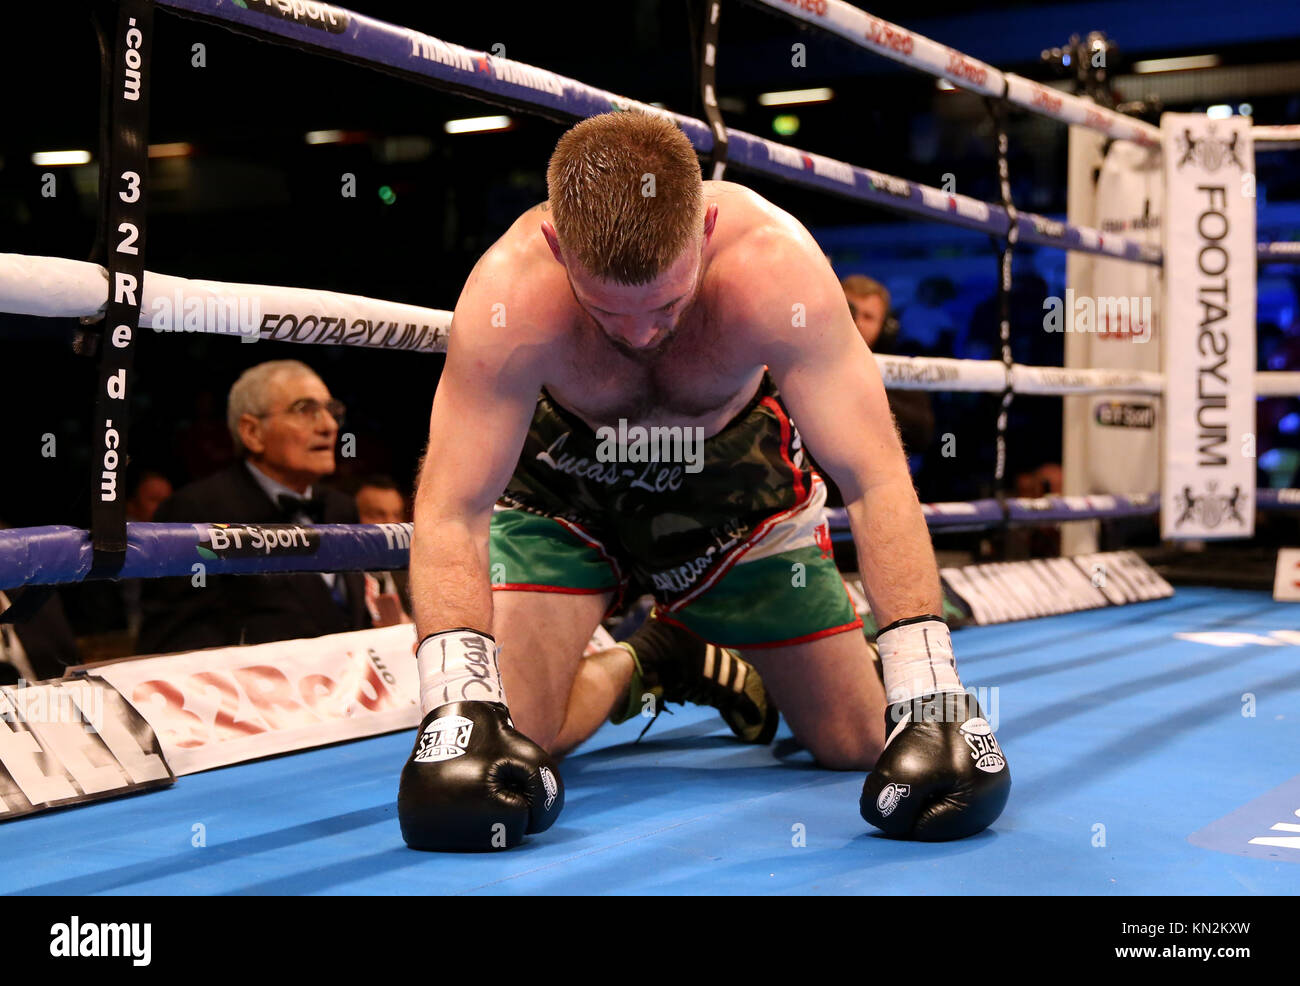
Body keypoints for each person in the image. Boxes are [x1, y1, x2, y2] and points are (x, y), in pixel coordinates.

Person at [400, 112, 1009, 851]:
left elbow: (875, 475)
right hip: (568, 484)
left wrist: (929, 691)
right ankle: (657, 658)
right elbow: (451, 506)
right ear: (558, 248)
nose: (640, 333)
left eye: (667, 304)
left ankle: (783, 653)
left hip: (731, 487)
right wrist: (455, 708)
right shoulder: (510, 293)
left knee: (856, 738)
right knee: (510, 736)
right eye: (605, 311)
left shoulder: (774, 266)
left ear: (704, 227)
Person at [137, 360, 370, 653]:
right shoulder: (197, 511)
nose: (329, 426)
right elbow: (175, 648)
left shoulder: (342, 507)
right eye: (305, 410)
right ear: (252, 432)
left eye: (332, 411)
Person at [841, 274, 935, 463]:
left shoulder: (896, 369)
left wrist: (859, 389)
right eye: (849, 311)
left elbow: (922, 434)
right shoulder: (801, 363)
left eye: (868, 317)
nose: (856, 322)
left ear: (885, 328)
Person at [354, 474, 413, 626]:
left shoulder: (412, 571)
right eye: (378, 515)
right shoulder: (341, 579)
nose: (391, 525)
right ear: (353, 518)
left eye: (396, 515)